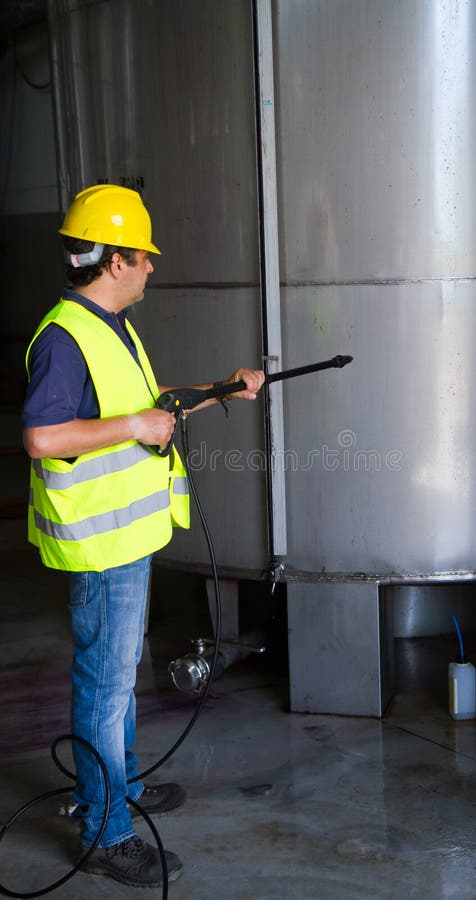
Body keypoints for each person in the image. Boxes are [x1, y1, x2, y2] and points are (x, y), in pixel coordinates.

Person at [21, 184, 265, 888]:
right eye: (145, 257)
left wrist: (223, 389)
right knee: (104, 685)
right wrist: (133, 427)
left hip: (125, 542)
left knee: (119, 676)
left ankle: (120, 784)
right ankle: (106, 831)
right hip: (100, 549)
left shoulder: (109, 326)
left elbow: (146, 409)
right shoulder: (66, 339)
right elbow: (42, 436)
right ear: (117, 261)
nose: (153, 268)